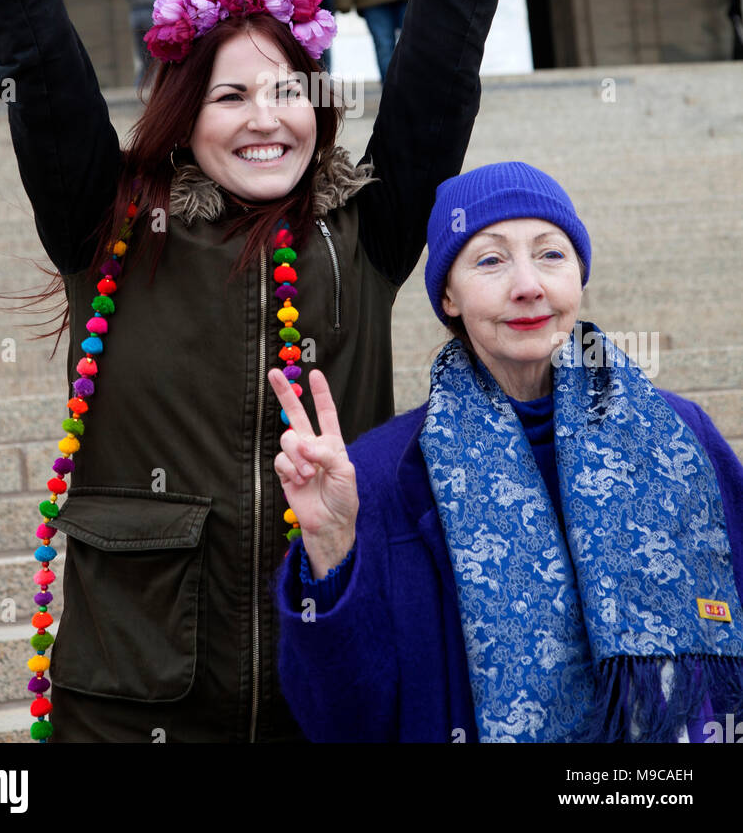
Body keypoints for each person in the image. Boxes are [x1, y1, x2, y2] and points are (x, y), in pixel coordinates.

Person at [0, 0, 548, 743]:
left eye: (288, 90)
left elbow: (438, 72)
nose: (265, 117)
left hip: (324, 689)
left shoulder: (362, 234)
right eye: (231, 93)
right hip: (130, 705)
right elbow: (36, 48)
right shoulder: (106, 221)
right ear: (181, 117)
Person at [273, 162, 743, 744]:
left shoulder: (681, 435)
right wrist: (329, 546)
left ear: (579, 274)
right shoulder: (383, 474)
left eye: (551, 255)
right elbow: (343, 721)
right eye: (490, 260)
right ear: (448, 294)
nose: (529, 285)